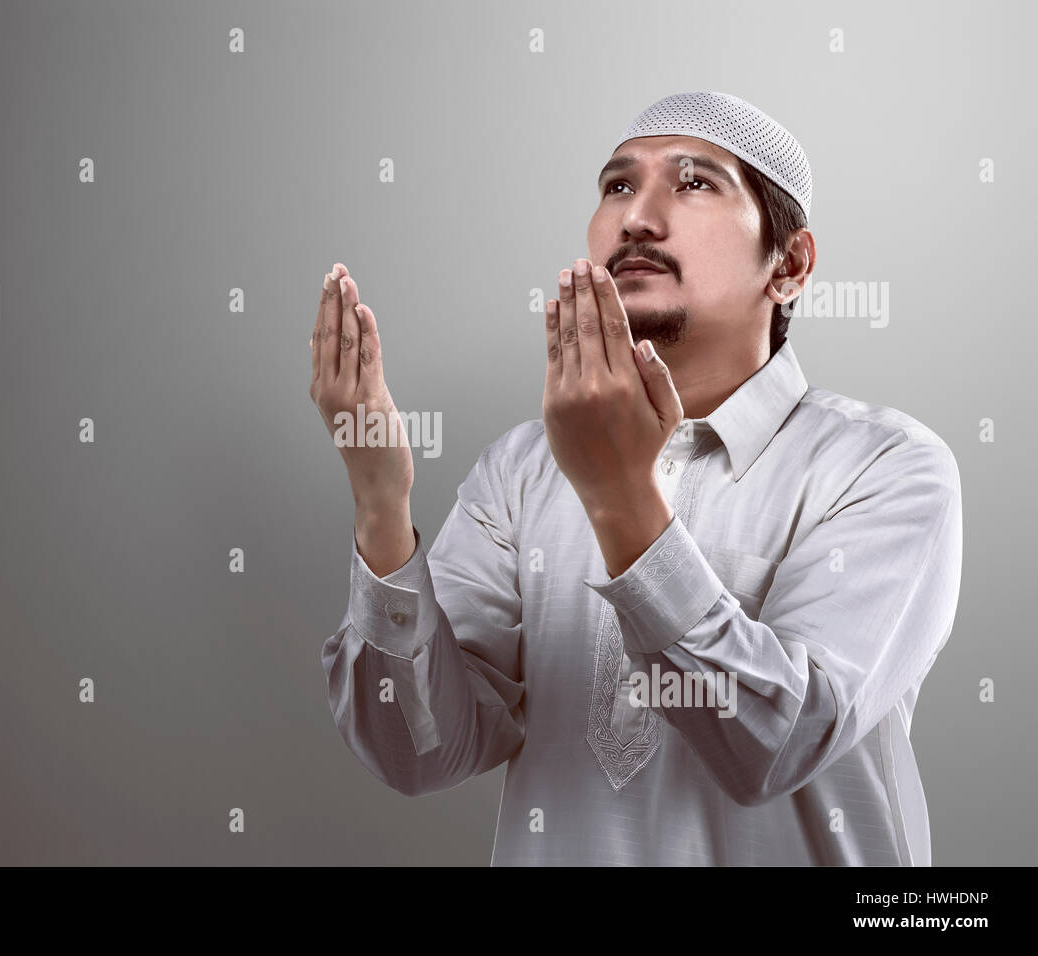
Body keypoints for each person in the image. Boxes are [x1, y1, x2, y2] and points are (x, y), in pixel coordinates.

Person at [309, 91, 962, 865]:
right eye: (618, 185)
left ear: (788, 265)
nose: (636, 219)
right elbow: (418, 754)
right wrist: (383, 506)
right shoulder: (523, 470)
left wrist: (619, 498)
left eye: (694, 184)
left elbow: (776, 744)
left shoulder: (884, 466)